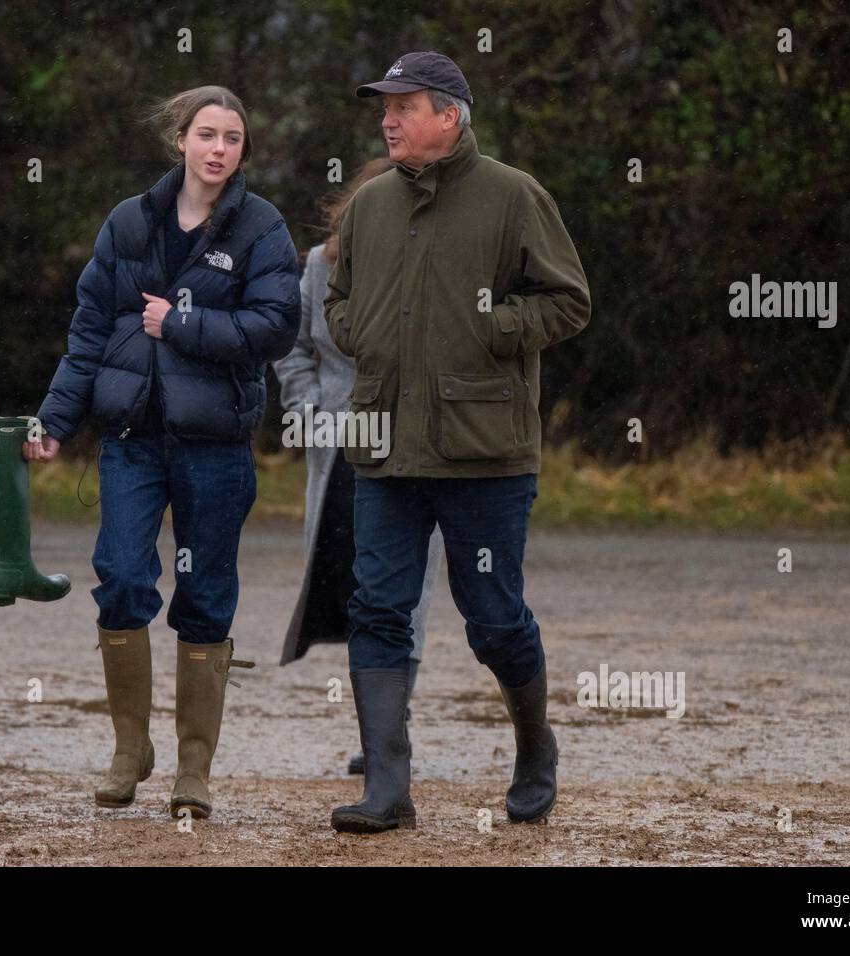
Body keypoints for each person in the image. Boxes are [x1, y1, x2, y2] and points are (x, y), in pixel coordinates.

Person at [325, 52, 591, 832]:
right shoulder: (369, 206)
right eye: (384, 107)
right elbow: (338, 302)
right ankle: (386, 788)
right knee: (376, 607)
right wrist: (361, 336)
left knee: (493, 616)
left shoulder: (513, 196)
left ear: (451, 115)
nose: (388, 119)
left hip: (485, 453)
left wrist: (492, 327)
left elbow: (568, 301)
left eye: (404, 105)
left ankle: (535, 746)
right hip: (383, 447)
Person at [28, 86, 300, 819]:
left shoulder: (260, 227)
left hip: (215, 443)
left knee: (206, 595)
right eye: (206, 134)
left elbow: (275, 326)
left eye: (233, 138)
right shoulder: (129, 222)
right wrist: (56, 418)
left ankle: (193, 768)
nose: (219, 149)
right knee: (119, 577)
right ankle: (129, 749)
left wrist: (181, 322)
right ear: (179, 140)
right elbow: (89, 330)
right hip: (131, 439)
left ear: (244, 150)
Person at [272, 158, 443, 775]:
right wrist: (310, 410)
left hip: (415, 446)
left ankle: (387, 741)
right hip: (340, 443)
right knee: (351, 585)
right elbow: (292, 347)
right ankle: (376, 730)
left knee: (407, 590)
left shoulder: (434, 265)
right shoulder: (321, 266)